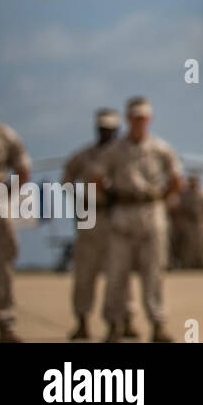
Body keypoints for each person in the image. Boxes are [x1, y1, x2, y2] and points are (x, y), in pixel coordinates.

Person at [96, 97, 184, 343]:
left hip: (151, 211)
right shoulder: (114, 151)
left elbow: (177, 180)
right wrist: (108, 200)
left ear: (149, 120)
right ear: (128, 119)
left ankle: (158, 325)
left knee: (154, 274)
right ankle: (114, 324)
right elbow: (95, 178)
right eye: (135, 118)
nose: (139, 122)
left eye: (143, 118)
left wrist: (160, 199)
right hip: (122, 213)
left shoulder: (161, 148)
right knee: (116, 274)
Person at [62, 109, 135, 340]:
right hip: (91, 218)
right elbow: (66, 179)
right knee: (85, 271)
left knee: (120, 272)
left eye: (111, 129)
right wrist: (81, 196)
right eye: (103, 129)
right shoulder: (84, 156)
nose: (107, 133)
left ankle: (123, 320)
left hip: (118, 217)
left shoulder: (126, 155)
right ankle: (82, 320)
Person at [0, 86, 30, 343]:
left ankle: (5, 323)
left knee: (2, 264)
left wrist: (6, 194)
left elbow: (23, 170)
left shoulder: (6, 136)